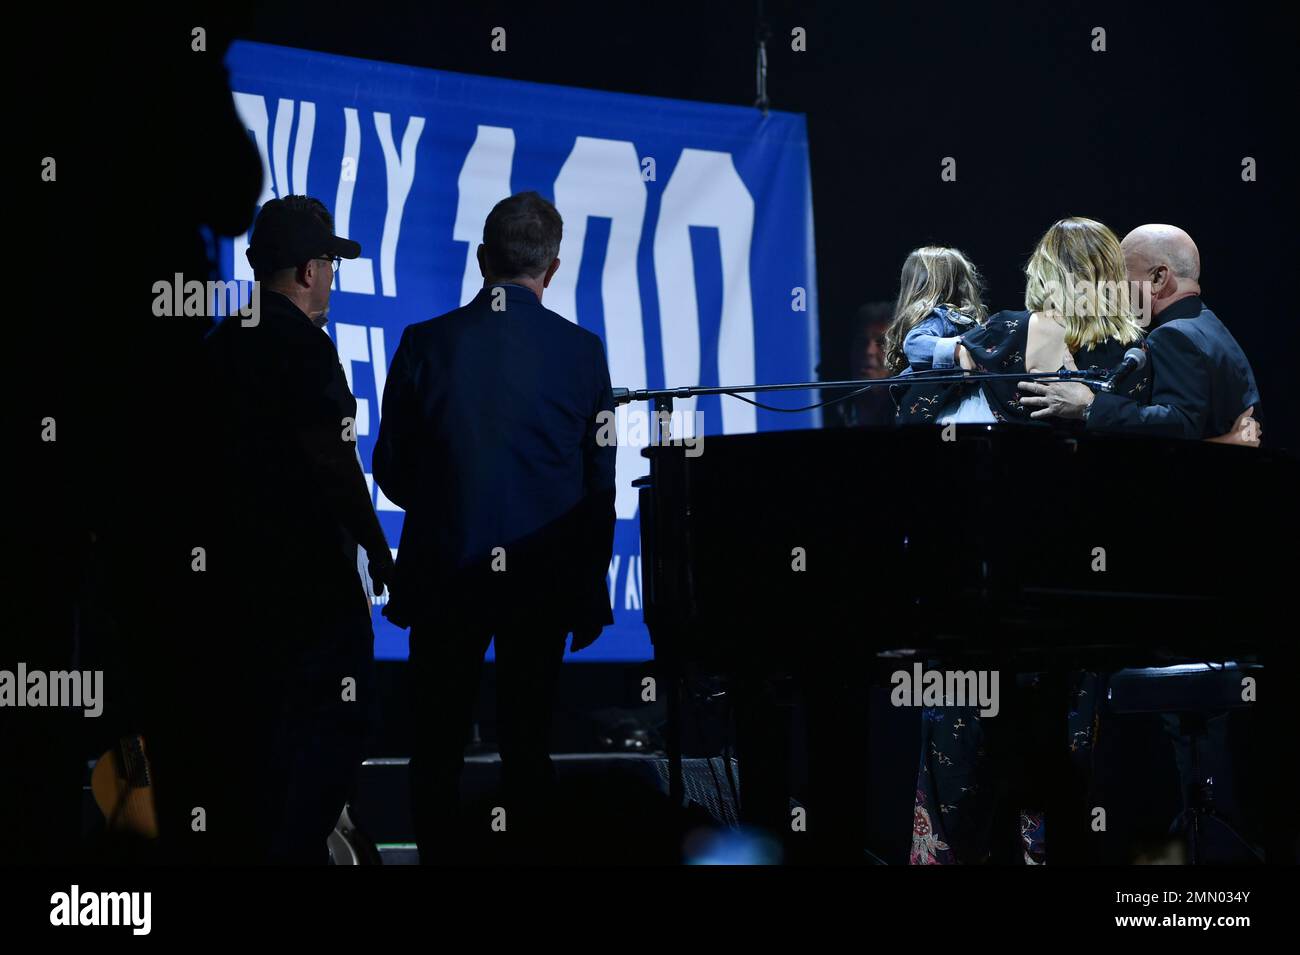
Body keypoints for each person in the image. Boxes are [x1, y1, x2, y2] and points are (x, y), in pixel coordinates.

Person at [373, 191, 617, 862]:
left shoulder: (425, 343)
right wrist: (589, 588)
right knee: (528, 748)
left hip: (445, 573)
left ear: (483, 258)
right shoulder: (583, 353)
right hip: (541, 587)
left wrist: (447, 507)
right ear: (555, 267)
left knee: (436, 750)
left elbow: (389, 466)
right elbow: (600, 489)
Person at [204, 195, 394, 863]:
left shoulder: (216, 348)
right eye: (331, 264)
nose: (333, 279)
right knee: (333, 736)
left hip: (228, 605)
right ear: (310, 270)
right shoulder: (303, 349)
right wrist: (380, 552)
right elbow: (332, 464)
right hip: (309, 601)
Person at [1016, 224, 1262, 445]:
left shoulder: (1171, 336)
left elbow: (1180, 426)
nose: (1114, 286)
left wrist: (1090, 406)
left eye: (1121, 273)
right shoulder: (1210, 326)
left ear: (1158, 277)